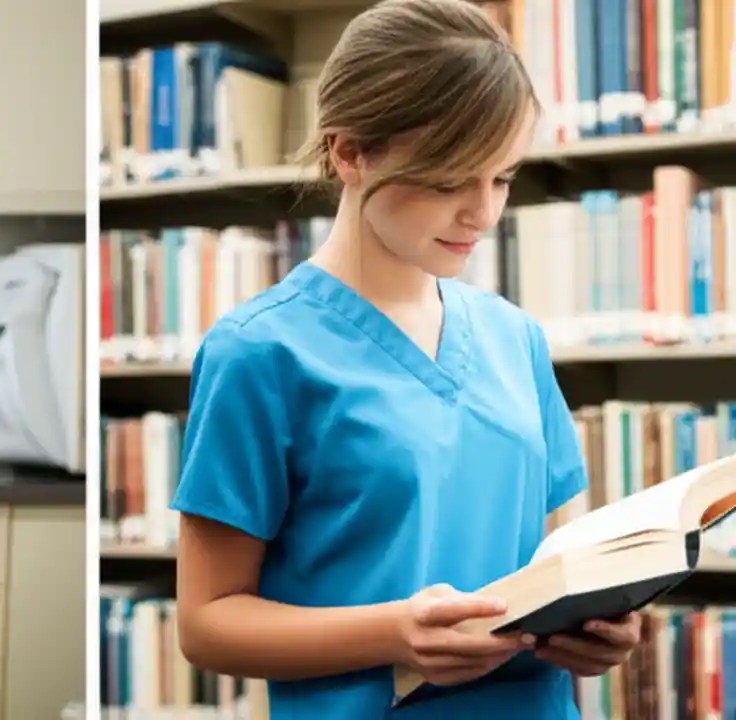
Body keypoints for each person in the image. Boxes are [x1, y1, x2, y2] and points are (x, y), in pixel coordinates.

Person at [170, 1, 642, 718]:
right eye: (451, 179)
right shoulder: (259, 353)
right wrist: (395, 634)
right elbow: (207, 624)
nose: (484, 214)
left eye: (503, 178)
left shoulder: (516, 338)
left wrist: (598, 627)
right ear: (349, 151)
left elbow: (557, 565)